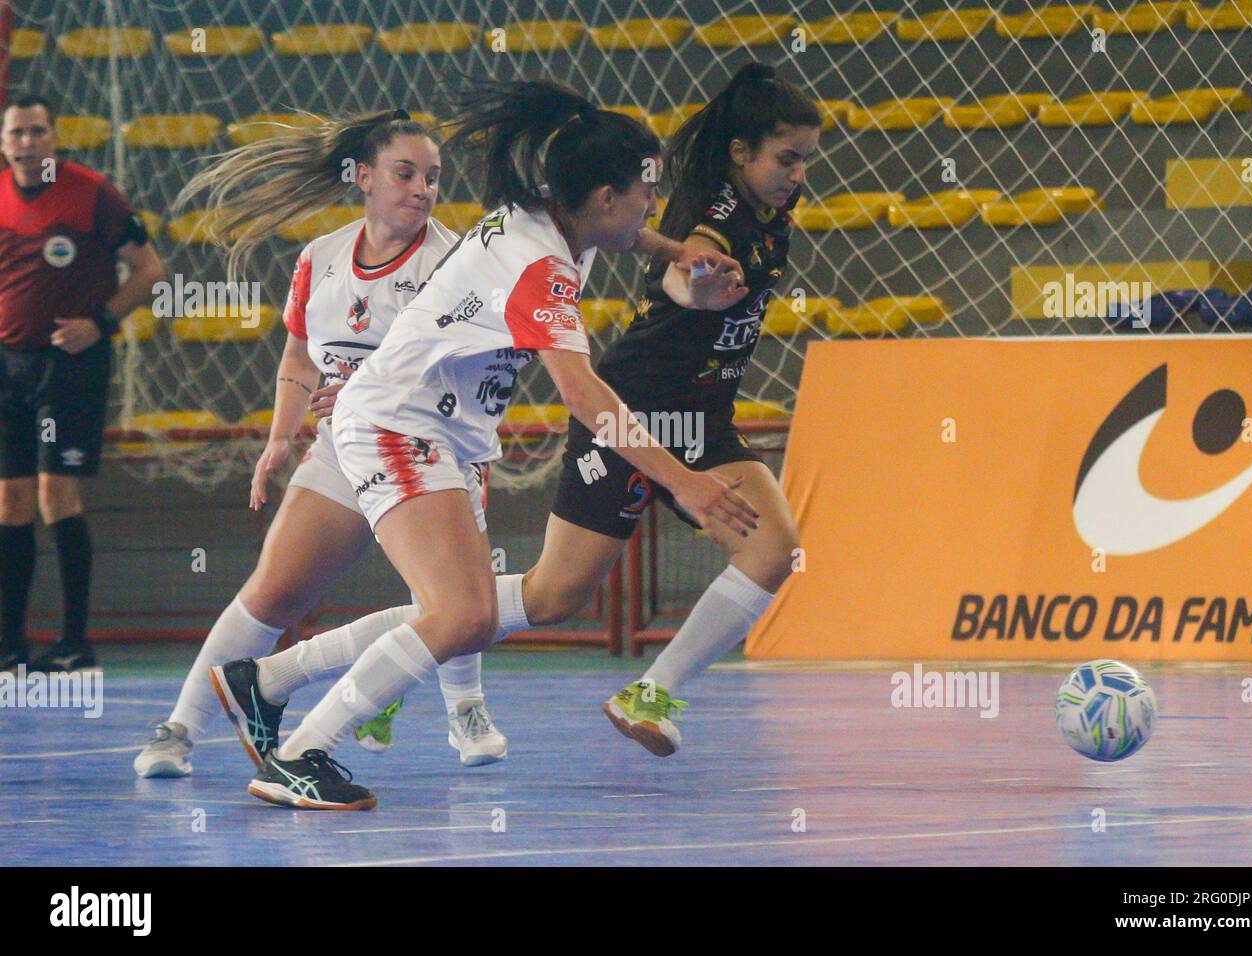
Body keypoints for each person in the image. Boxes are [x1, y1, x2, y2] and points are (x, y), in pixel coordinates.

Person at [214, 77, 757, 810]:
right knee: (461, 615)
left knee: (464, 611)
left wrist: (677, 251)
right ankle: (305, 751)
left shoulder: (549, 212)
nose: (653, 206)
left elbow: (628, 232)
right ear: (601, 196)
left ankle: (268, 680)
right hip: (400, 425)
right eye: (645, 192)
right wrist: (684, 481)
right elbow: (586, 397)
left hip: (439, 431)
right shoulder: (543, 270)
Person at [133, 109, 507, 778]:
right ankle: (178, 727)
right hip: (342, 448)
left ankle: (465, 706)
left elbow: (465, 366)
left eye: (433, 177)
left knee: (455, 602)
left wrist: (371, 385)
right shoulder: (320, 257)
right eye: (406, 173)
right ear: (363, 177)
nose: (422, 188)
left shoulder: (453, 264)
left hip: (431, 446)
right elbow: (302, 359)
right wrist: (279, 437)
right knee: (272, 592)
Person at [0, 91, 165, 674]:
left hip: (70, 368)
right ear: (4, 142)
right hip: (7, 368)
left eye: (37, 131)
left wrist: (99, 323)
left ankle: (74, 644)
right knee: (10, 500)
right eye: (16, 133)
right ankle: (10, 646)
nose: (27, 142)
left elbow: (150, 270)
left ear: (54, 137)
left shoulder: (92, 192)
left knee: (55, 496)